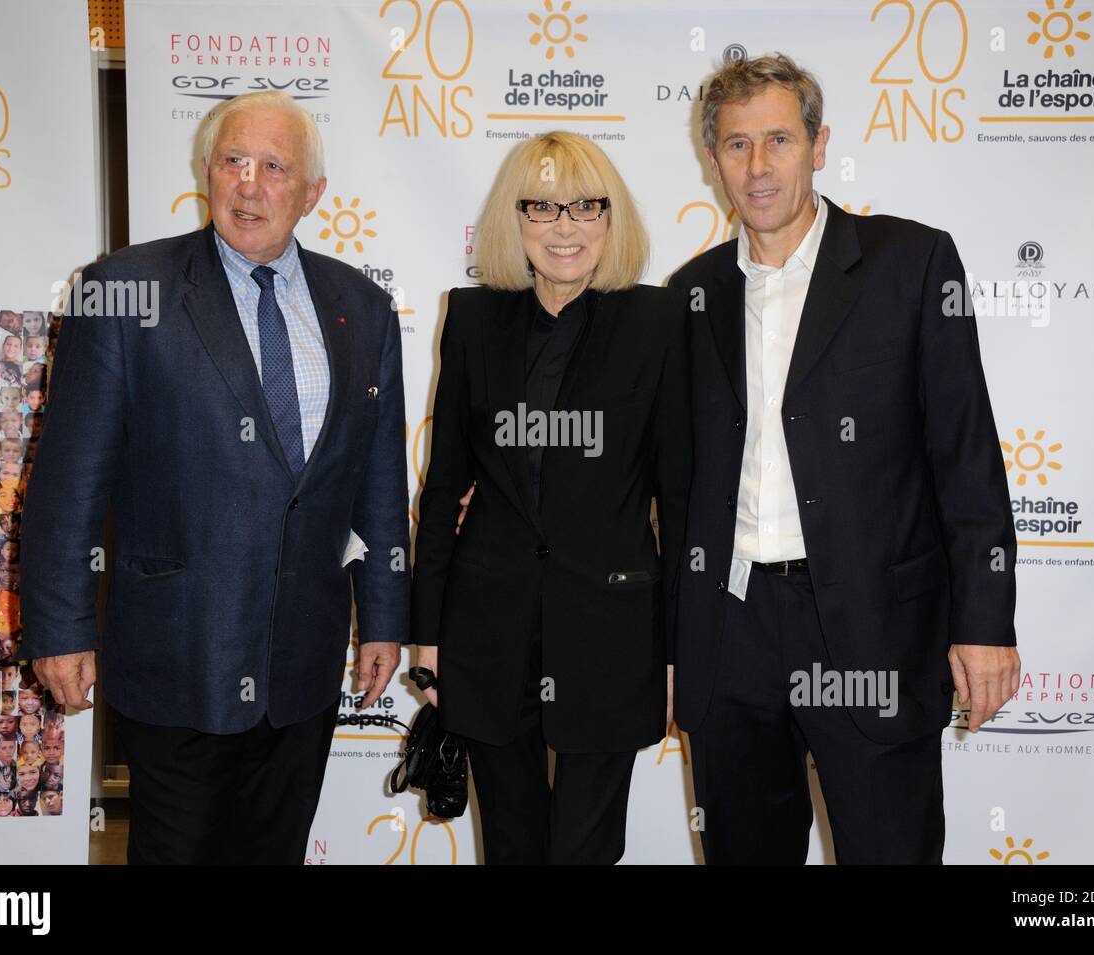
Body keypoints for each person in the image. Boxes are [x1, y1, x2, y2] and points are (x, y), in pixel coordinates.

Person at [20, 90, 410, 864]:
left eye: (273, 166)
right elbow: (69, 479)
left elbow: (377, 477)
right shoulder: (124, 289)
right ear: (206, 172)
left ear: (313, 193)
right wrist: (60, 626)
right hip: (176, 656)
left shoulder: (362, 308)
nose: (249, 183)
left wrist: (387, 614)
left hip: (301, 663)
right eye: (233, 161)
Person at [668, 53, 1020, 864]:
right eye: (736, 145)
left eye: (780, 139)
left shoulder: (912, 264)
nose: (758, 167)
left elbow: (965, 452)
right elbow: (672, 478)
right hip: (734, 632)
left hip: (874, 630)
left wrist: (985, 621)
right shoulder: (691, 296)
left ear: (820, 145)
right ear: (713, 158)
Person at [411, 131, 691, 864]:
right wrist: (428, 631)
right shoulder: (471, 318)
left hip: (613, 635)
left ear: (611, 217)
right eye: (541, 207)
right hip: (486, 632)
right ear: (515, 220)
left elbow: (680, 495)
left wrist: (675, 651)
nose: (564, 226)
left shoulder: (657, 324)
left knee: (584, 849)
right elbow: (442, 487)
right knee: (511, 844)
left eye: (584, 206)